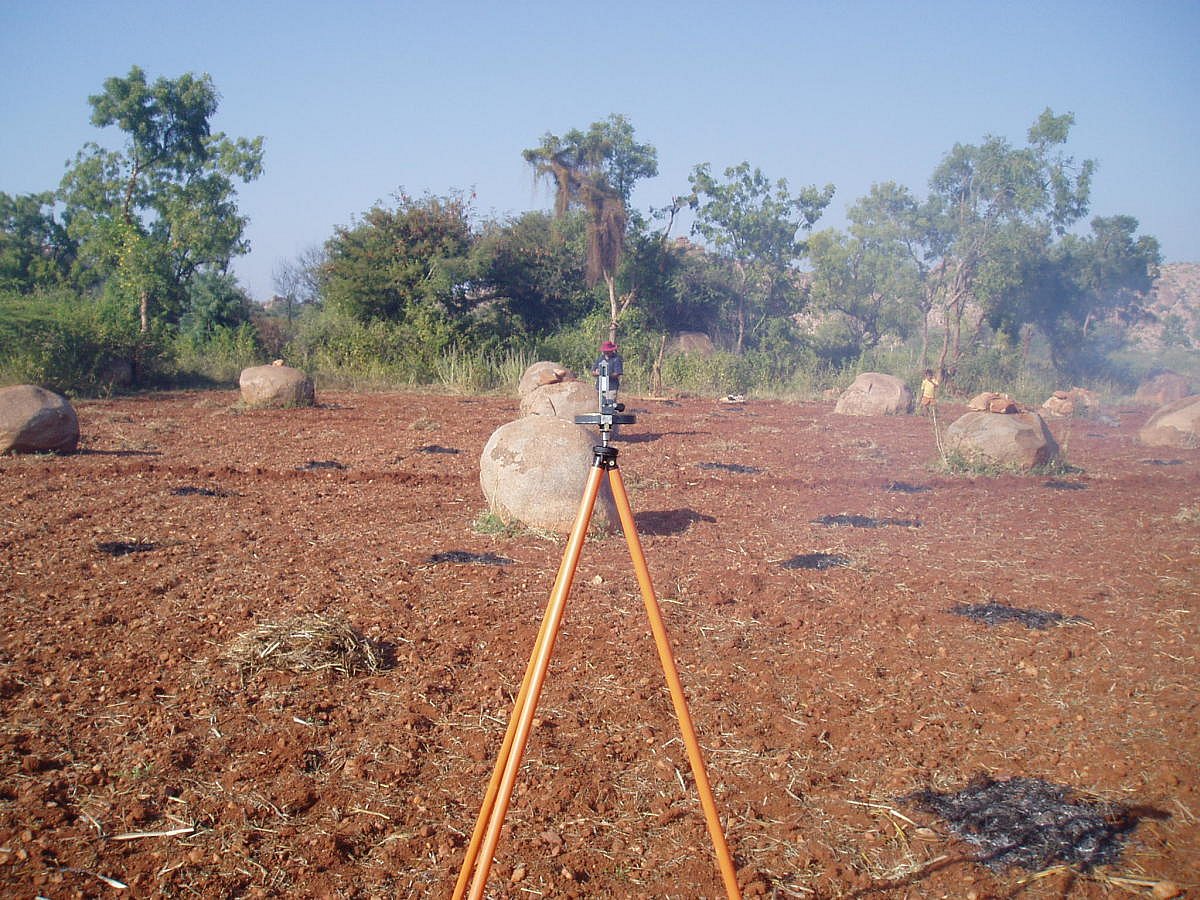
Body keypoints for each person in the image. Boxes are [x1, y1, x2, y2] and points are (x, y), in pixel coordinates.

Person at [591, 340, 623, 407]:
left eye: (608, 351)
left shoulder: (616, 359)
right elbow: (593, 371)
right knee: (600, 406)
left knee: (609, 406)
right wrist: (598, 373)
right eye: (605, 351)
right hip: (600, 387)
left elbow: (618, 373)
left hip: (611, 387)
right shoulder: (600, 358)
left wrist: (607, 374)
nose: (606, 353)